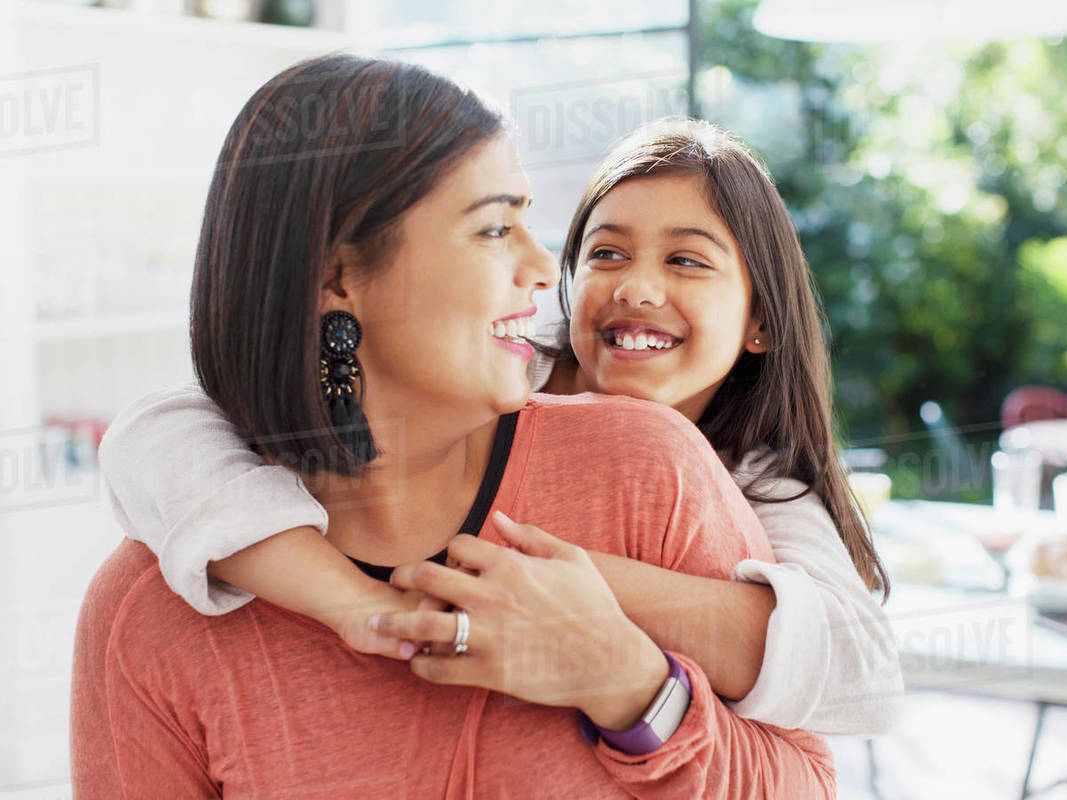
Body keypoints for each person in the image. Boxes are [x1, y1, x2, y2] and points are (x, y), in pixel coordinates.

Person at [71, 54, 838, 798]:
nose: (547, 269)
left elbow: (807, 780)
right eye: (493, 230)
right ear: (336, 276)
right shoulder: (153, 609)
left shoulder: (643, 471)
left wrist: (630, 686)